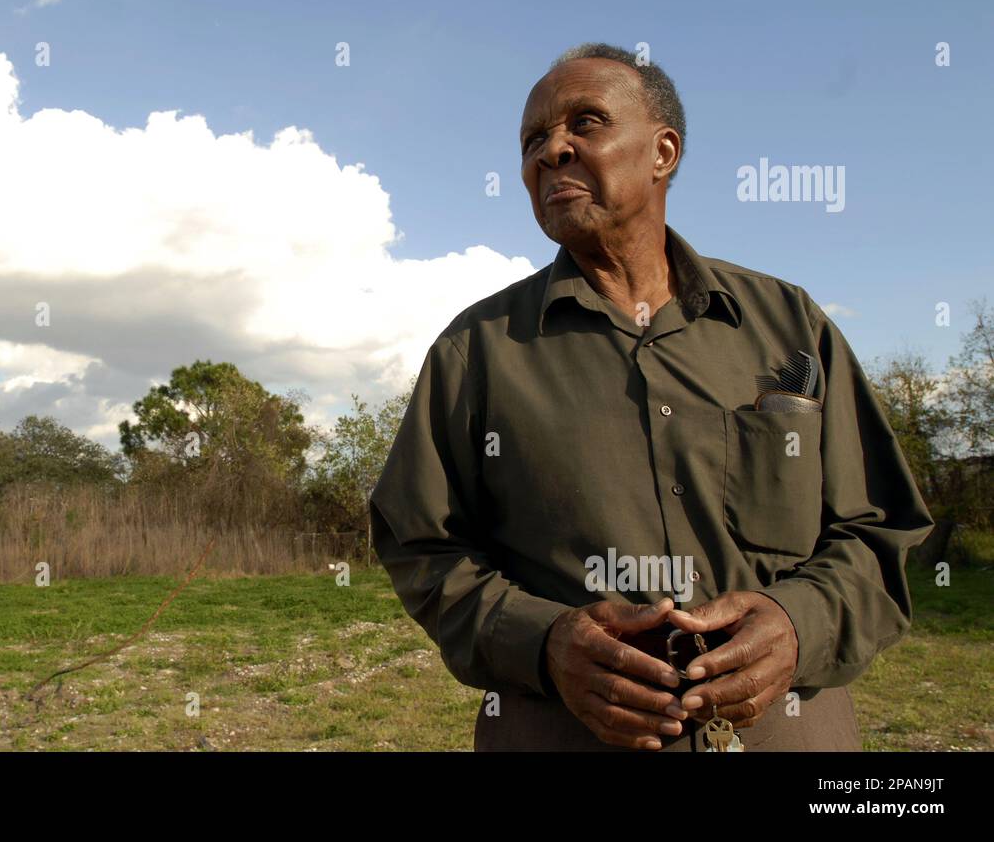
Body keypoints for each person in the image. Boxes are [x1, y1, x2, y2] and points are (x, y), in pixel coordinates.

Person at [369, 43, 934, 751]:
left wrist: (798, 624)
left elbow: (878, 529)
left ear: (663, 152)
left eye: (586, 123)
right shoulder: (476, 352)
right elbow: (421, 545)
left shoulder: (789, 328)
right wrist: (544, 643)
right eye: (532, 141)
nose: (553, 151)